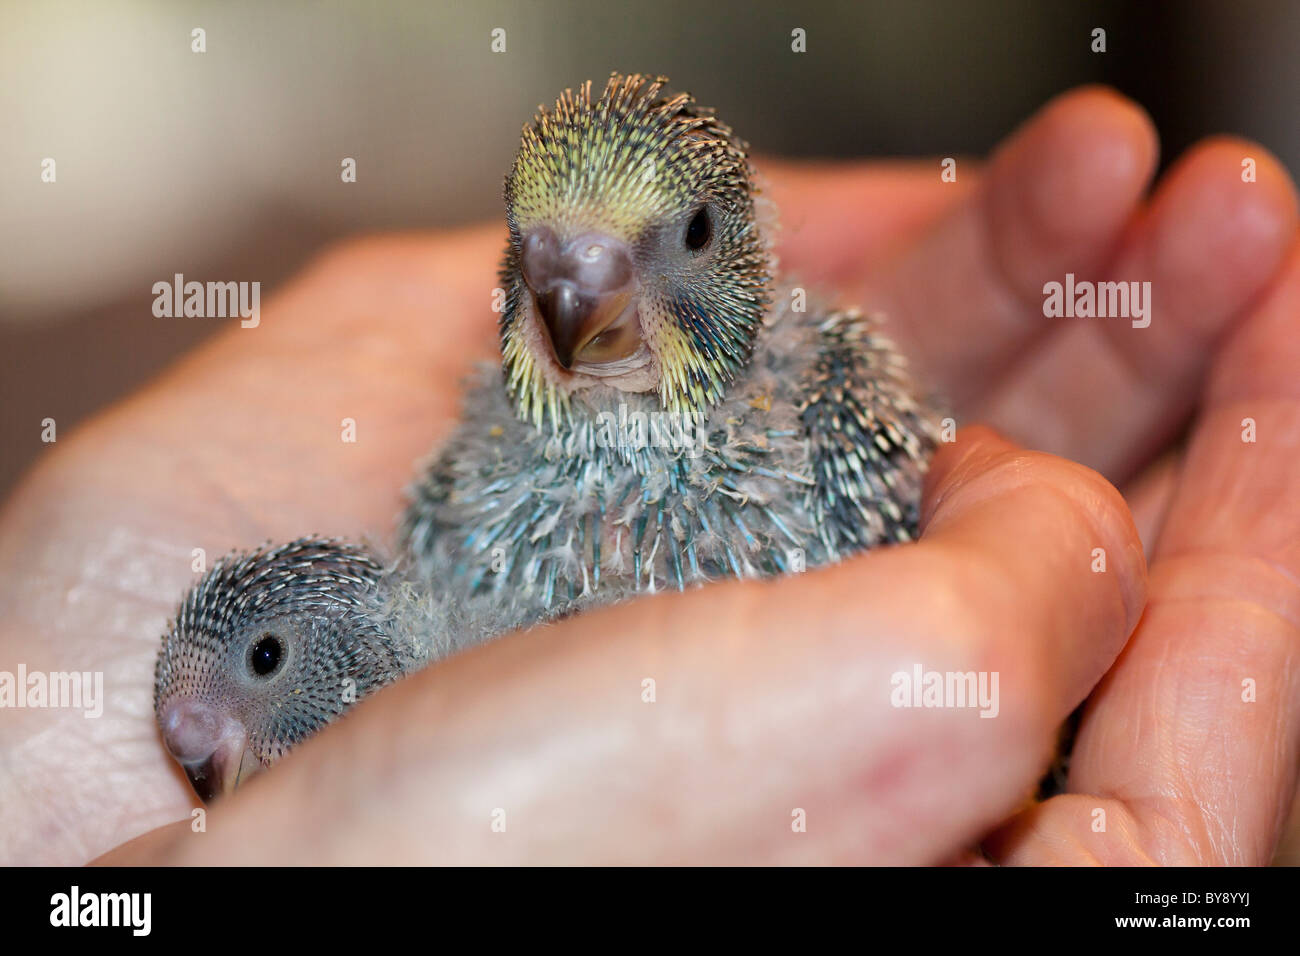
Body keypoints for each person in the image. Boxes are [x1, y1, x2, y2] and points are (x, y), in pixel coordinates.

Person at [2, 87, 1296, 864]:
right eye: (550, 262)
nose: (586, 303)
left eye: (671, 240)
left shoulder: (830, 423)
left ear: (737, 249)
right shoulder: (449, 502)